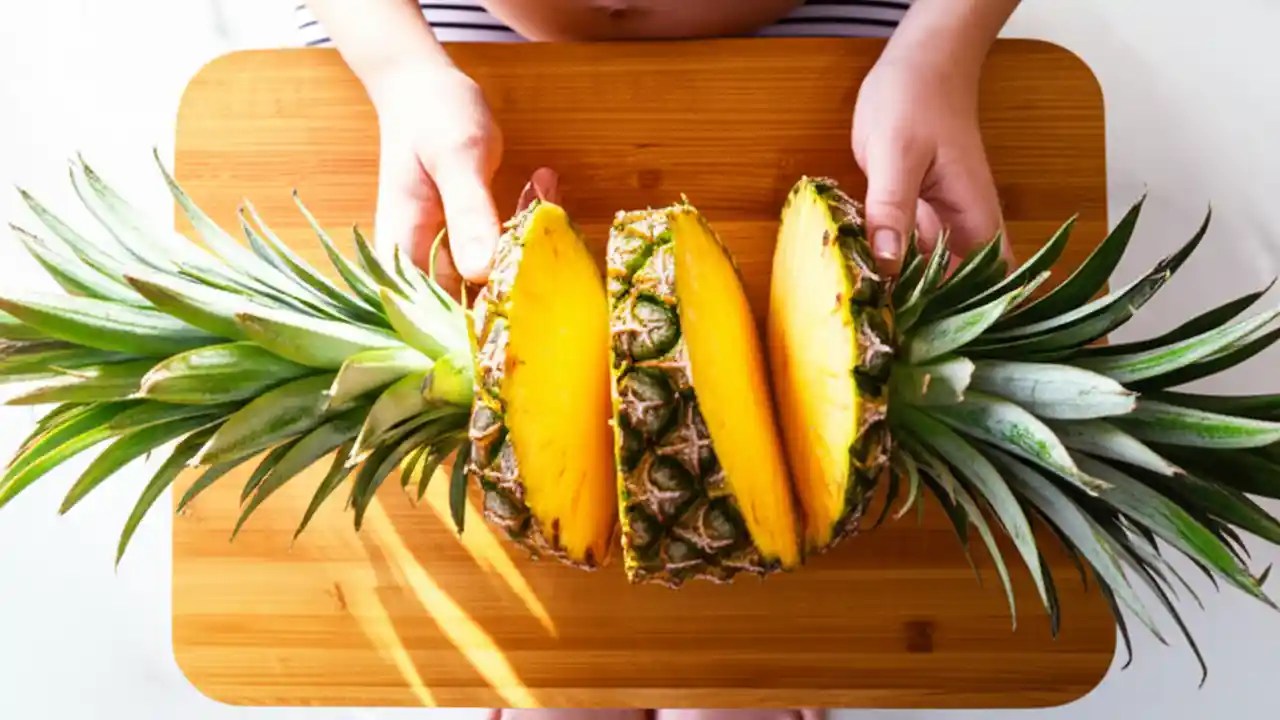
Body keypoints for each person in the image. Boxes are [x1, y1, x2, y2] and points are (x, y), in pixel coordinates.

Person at [295, 1, 1019, 719]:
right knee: (570, 684)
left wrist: (943, 46)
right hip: (440, 31)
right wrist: (398, 68)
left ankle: (727, 688)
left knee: (739, 683)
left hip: (851, 27)